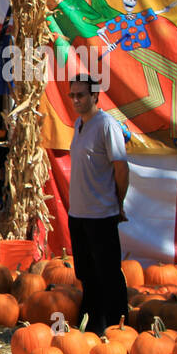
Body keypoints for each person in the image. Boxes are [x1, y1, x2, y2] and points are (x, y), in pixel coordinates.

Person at [67, 73, 129, 333]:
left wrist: (118, 202)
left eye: (81, 95)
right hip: (78, 213)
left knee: (108, 274)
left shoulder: (107, 125)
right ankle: (92, 324)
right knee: (86, 274)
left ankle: (118, 325)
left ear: (95, 96)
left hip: (101, 213)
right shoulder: (79, 125)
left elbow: (121, 167)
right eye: (72, 95)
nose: (76, 100)